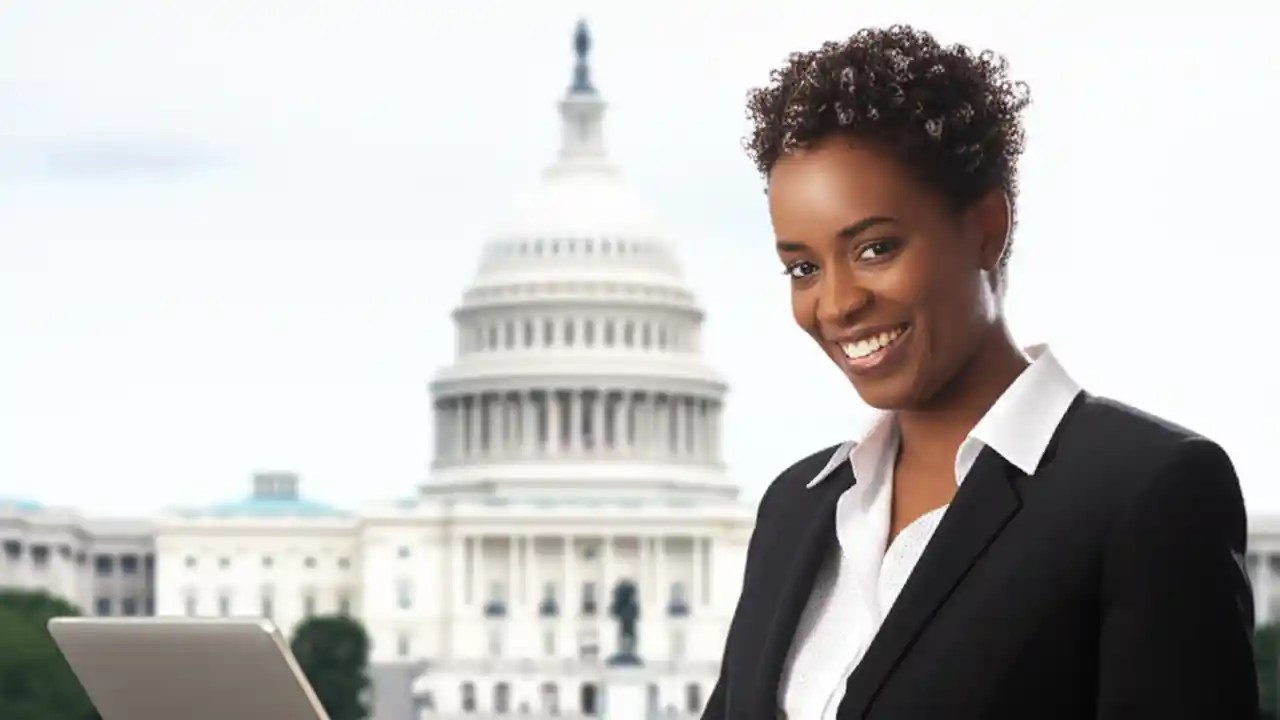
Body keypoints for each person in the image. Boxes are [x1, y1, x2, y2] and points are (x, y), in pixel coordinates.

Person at [701, 25, 1257, 720]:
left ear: (986, 229)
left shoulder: (1146, 492)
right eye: (804, 267)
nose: (837, 304)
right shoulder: (795, 507)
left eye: (876, 248)